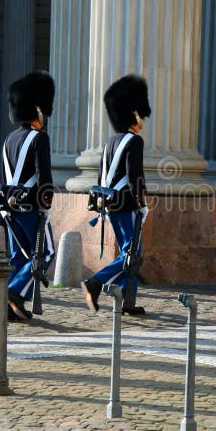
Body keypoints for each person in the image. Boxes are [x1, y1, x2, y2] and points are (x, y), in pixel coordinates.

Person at [81, 75, 151, 315]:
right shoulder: (135, 142)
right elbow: (136, 176)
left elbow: (102, 175)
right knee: (133, 254)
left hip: (110, 204)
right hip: (127, 204)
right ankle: (96, 282)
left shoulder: (112, 141)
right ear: (133, 114)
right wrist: (141, 201)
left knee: (128, 251)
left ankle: (125, 301)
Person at [0, 71, 55, 321]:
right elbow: (44, 178)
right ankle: (14, 293)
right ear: (38, 110)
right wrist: (46, 204)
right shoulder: (39, 138)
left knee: (18, 256)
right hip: (32, 207)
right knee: (45, 252)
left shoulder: (9, 139)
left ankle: (9, 307)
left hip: (10, 209)